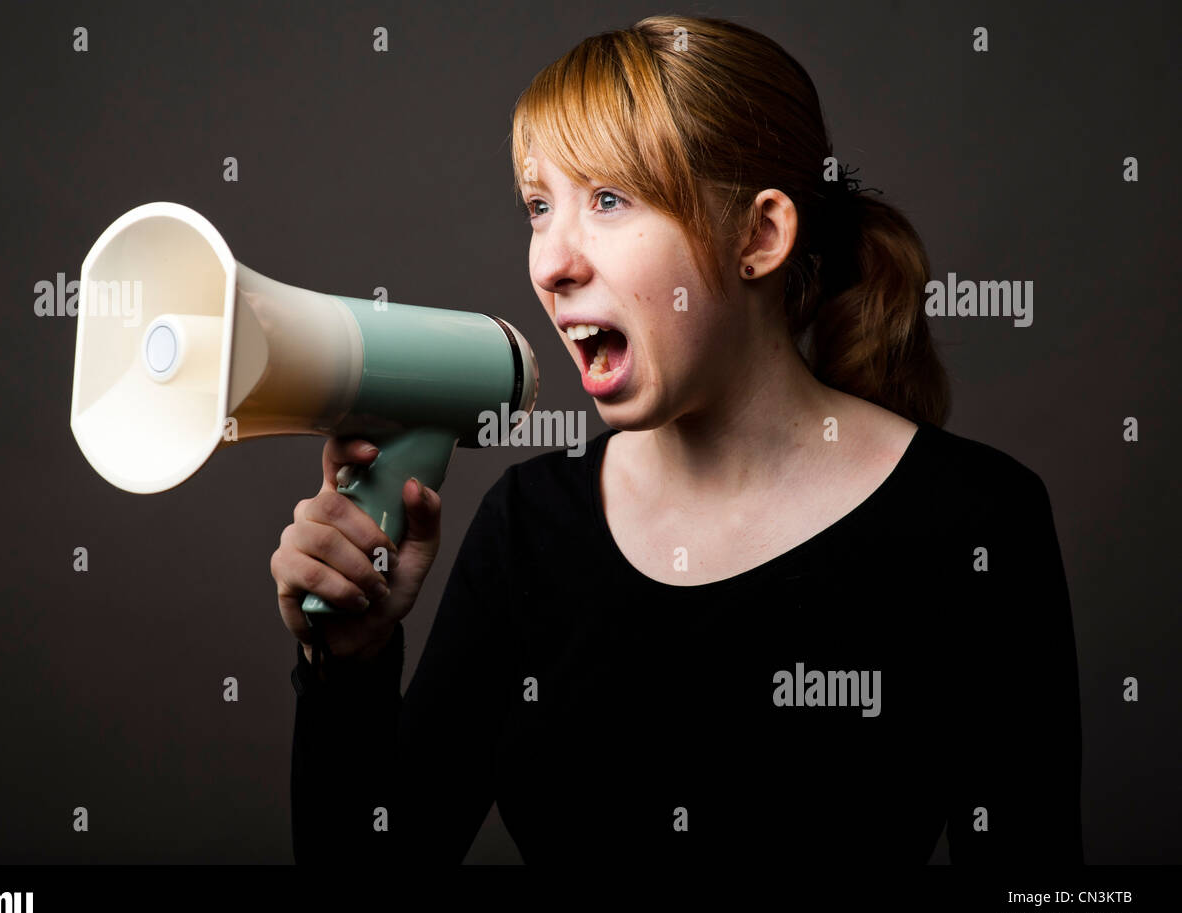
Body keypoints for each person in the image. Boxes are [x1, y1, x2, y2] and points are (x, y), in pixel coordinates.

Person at [271, 15, 1083, 865]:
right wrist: (348, 671)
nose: (552, 261)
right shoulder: (527, 528)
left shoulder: (974, 523)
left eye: (610, 200)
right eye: (540, 207)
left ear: (761, 236)